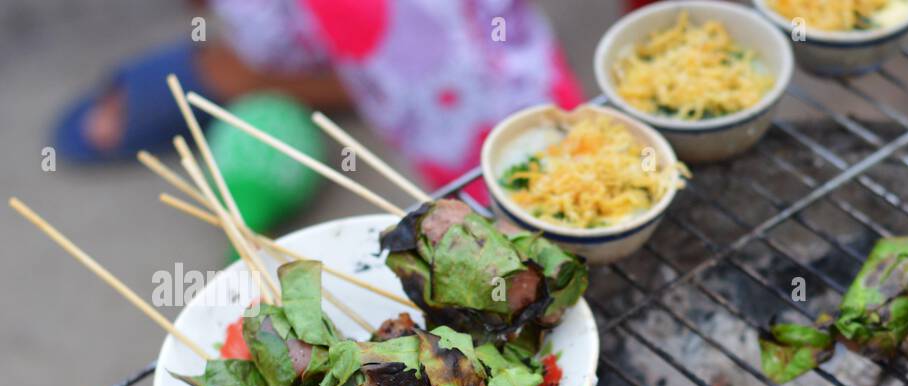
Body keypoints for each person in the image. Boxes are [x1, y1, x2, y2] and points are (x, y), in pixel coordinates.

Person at [55, 0, 584, 192]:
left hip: (455, 117)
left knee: (510, 190)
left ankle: (240, 72)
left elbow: (275, 40)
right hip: (507, 68)